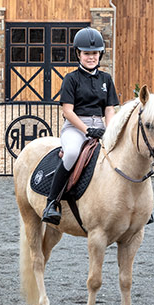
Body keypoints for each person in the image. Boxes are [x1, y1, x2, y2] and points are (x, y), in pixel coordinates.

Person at [42, 27, 119, 225]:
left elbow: (109, 109)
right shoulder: (71, 79)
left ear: (99, 54)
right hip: (76, 127)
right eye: (87, 53)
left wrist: (109, 131)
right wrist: (87, 130)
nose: (91, 57)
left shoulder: (106, 79)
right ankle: (53, 202)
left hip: (101, 126)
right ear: (78, 54)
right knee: (71, 153)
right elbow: (67, 111)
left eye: (94, 53)